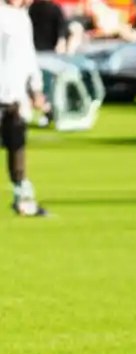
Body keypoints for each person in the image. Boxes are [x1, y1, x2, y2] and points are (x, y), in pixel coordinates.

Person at [1, 0, 49, 217]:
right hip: (6, 93)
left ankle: (22, 198)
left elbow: (29, 58)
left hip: (13, 96)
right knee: (16, 147)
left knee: (17, 147)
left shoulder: (21, 18)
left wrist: (35, 89)